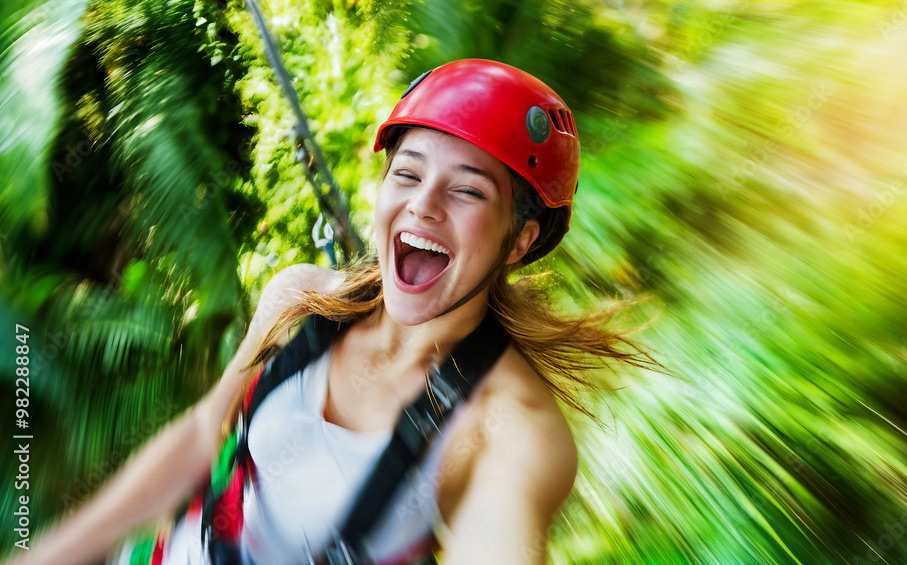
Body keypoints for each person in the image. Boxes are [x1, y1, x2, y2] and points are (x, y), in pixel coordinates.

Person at [11, 59, 654, 565]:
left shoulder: (509, 429)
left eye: (466, 190)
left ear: (519, 241)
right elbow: (200, 440)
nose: (423, 206)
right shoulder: (300, 302)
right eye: (407, 174)